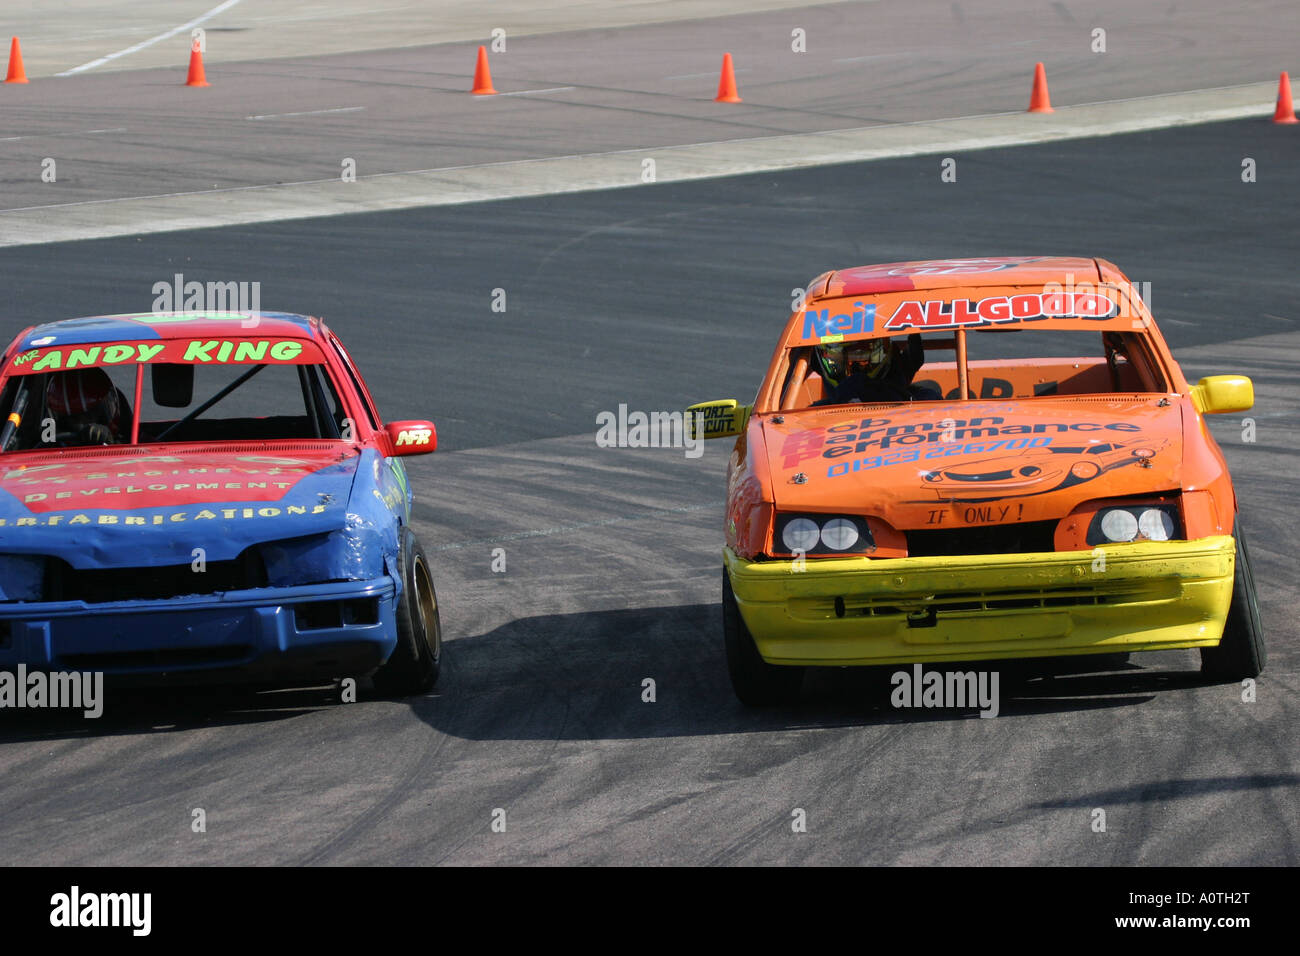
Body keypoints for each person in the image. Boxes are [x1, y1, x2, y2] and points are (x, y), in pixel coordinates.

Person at [813, 333, 936, 404]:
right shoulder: (814, 415)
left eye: (861, 360)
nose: (853, 369)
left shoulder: (924, 398)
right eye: (844, 361)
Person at [45, 368, 129, 445]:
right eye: (74, 419)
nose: (82, 426)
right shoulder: (46, 445)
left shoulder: (129, 445)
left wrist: (112, 444)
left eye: (90, 415)